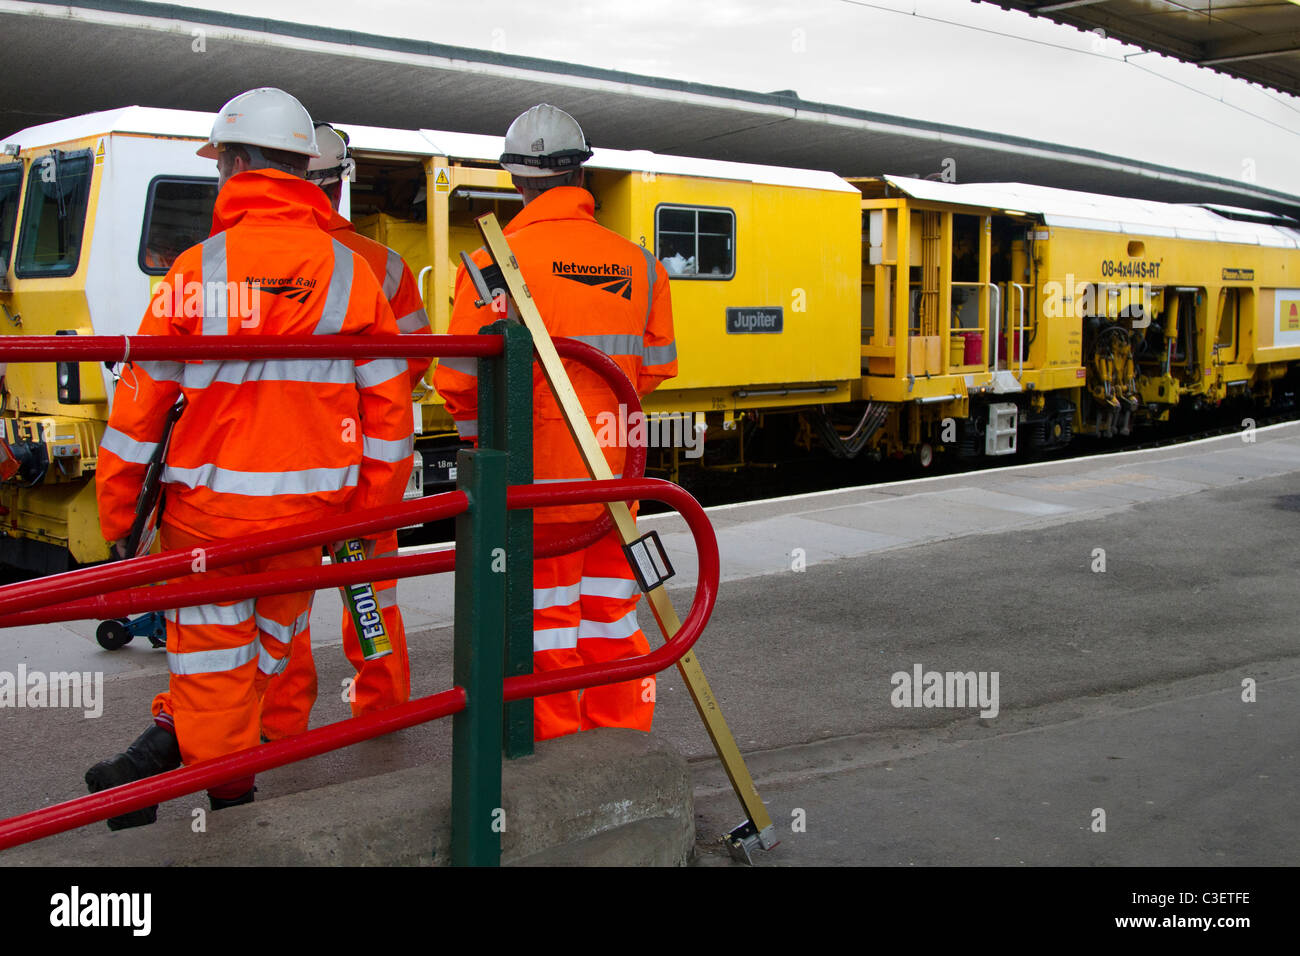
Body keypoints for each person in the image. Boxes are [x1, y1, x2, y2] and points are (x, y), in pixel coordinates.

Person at [87, 88, 414, 828]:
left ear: (232, 165)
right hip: (310, 519)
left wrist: (117, 514)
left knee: (211, 665)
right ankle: (200, 773)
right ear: (304, 168)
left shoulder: (195, 271)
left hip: (209, 521)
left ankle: (222, 800)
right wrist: (369, 510)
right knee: (268, 649)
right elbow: (392, 409)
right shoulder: (351, 272)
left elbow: (138, 408)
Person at [434, 104, 677, 741]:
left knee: (544, 630)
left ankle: (558, 769)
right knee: (610, 624)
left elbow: (460, 382)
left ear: (517, 181)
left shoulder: (491, 264)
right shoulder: (641, 265)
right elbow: (652, 368)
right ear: (581, 178)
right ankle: (623, 750)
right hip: (612, 485)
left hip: (531, 486)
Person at [259, 123, 431, 738]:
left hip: (284, 464)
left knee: (285, 598)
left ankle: (280, 726)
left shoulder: (250, 257)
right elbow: (415, 357)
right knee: (367, 591)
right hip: (364, 461)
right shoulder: (382, 265)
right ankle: (381, 709)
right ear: (338, 184)